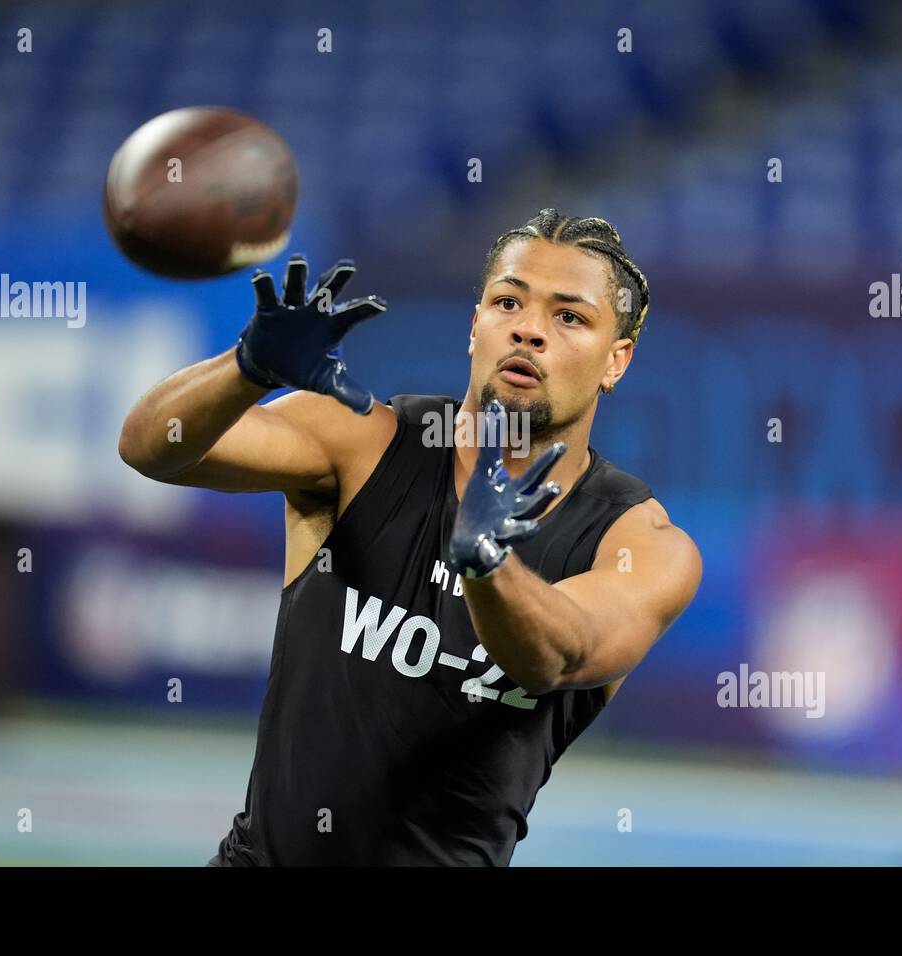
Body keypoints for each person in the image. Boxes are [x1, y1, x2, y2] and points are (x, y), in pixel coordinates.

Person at [119, 208, 701, 865]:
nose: (529, 330)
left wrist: (487, 564)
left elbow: (557, 658)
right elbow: (149, 448)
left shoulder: (641, 544)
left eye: (569, 316)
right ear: (474, 324)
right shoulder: (364, 443)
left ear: (615, 361)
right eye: (508, 301)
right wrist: (245, 369)